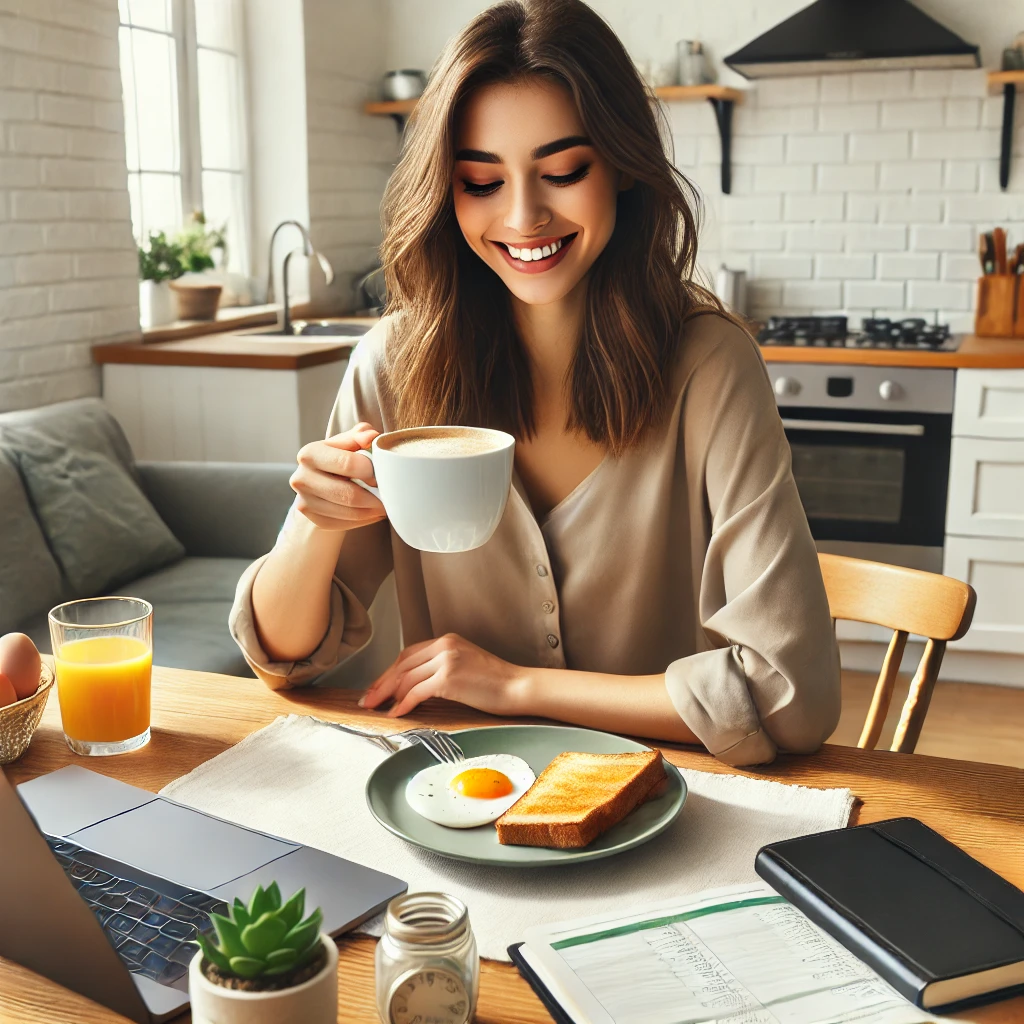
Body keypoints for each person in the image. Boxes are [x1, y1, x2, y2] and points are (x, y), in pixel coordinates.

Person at [230, 0, 840, 766]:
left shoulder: (711, 367)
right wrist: (314, 520)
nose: (524, 216)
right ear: (445, 193)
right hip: (454, 801)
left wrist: (514, 687)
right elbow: (287, 657)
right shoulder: (391, 364)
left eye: (562, 171)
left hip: (661, 805)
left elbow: (792, 697)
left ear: (621, 164)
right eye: (481, 181)